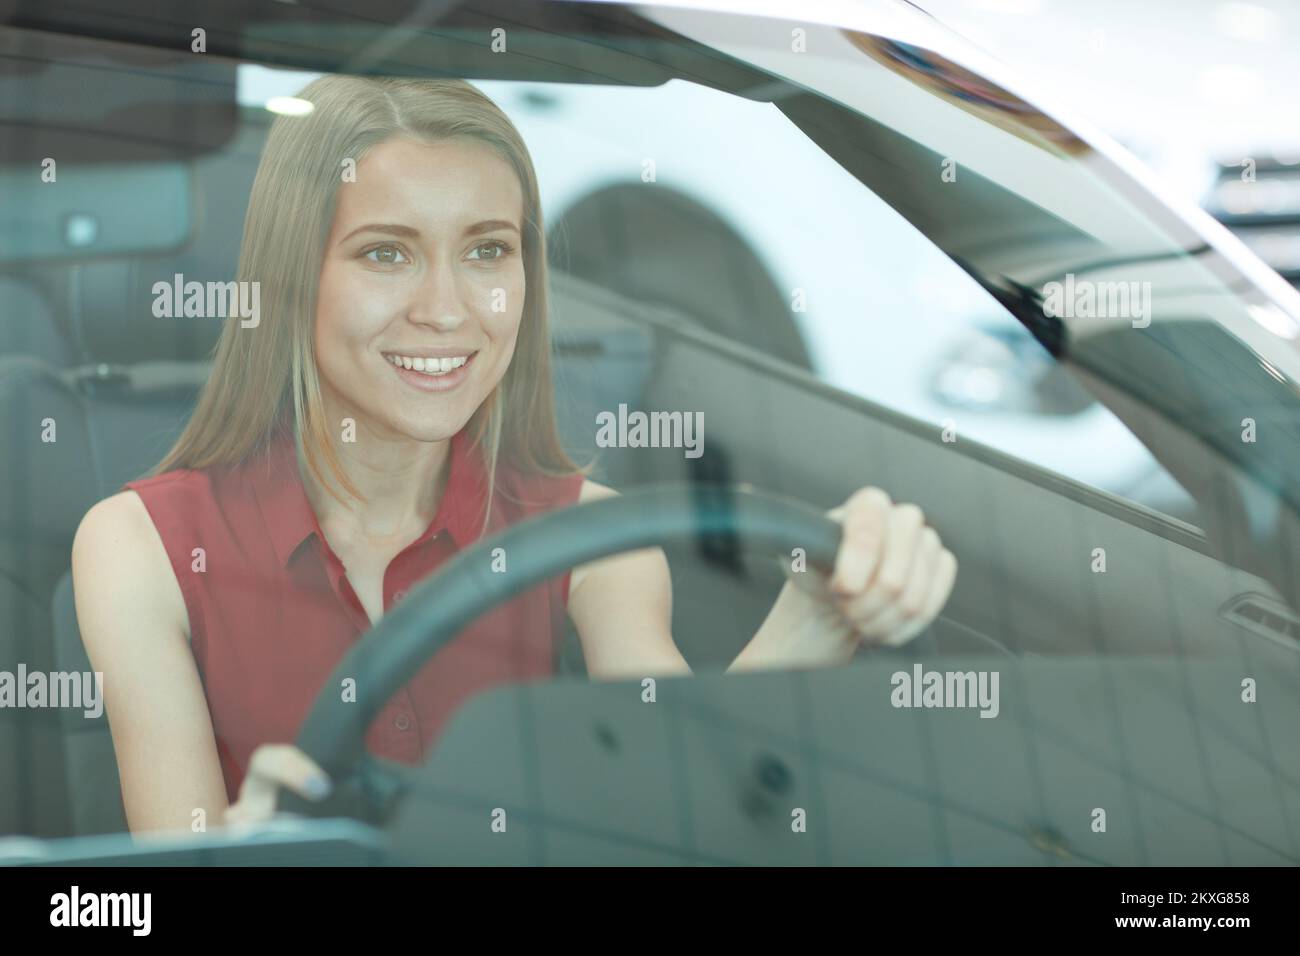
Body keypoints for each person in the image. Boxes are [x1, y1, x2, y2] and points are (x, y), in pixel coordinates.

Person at [70, 76, 957, 835]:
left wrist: (820, 615)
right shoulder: (140, 546)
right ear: (293, 277)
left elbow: (688, 801)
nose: (449, 310)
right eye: (387, 254)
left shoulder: (595, 536)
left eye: (487, 251)